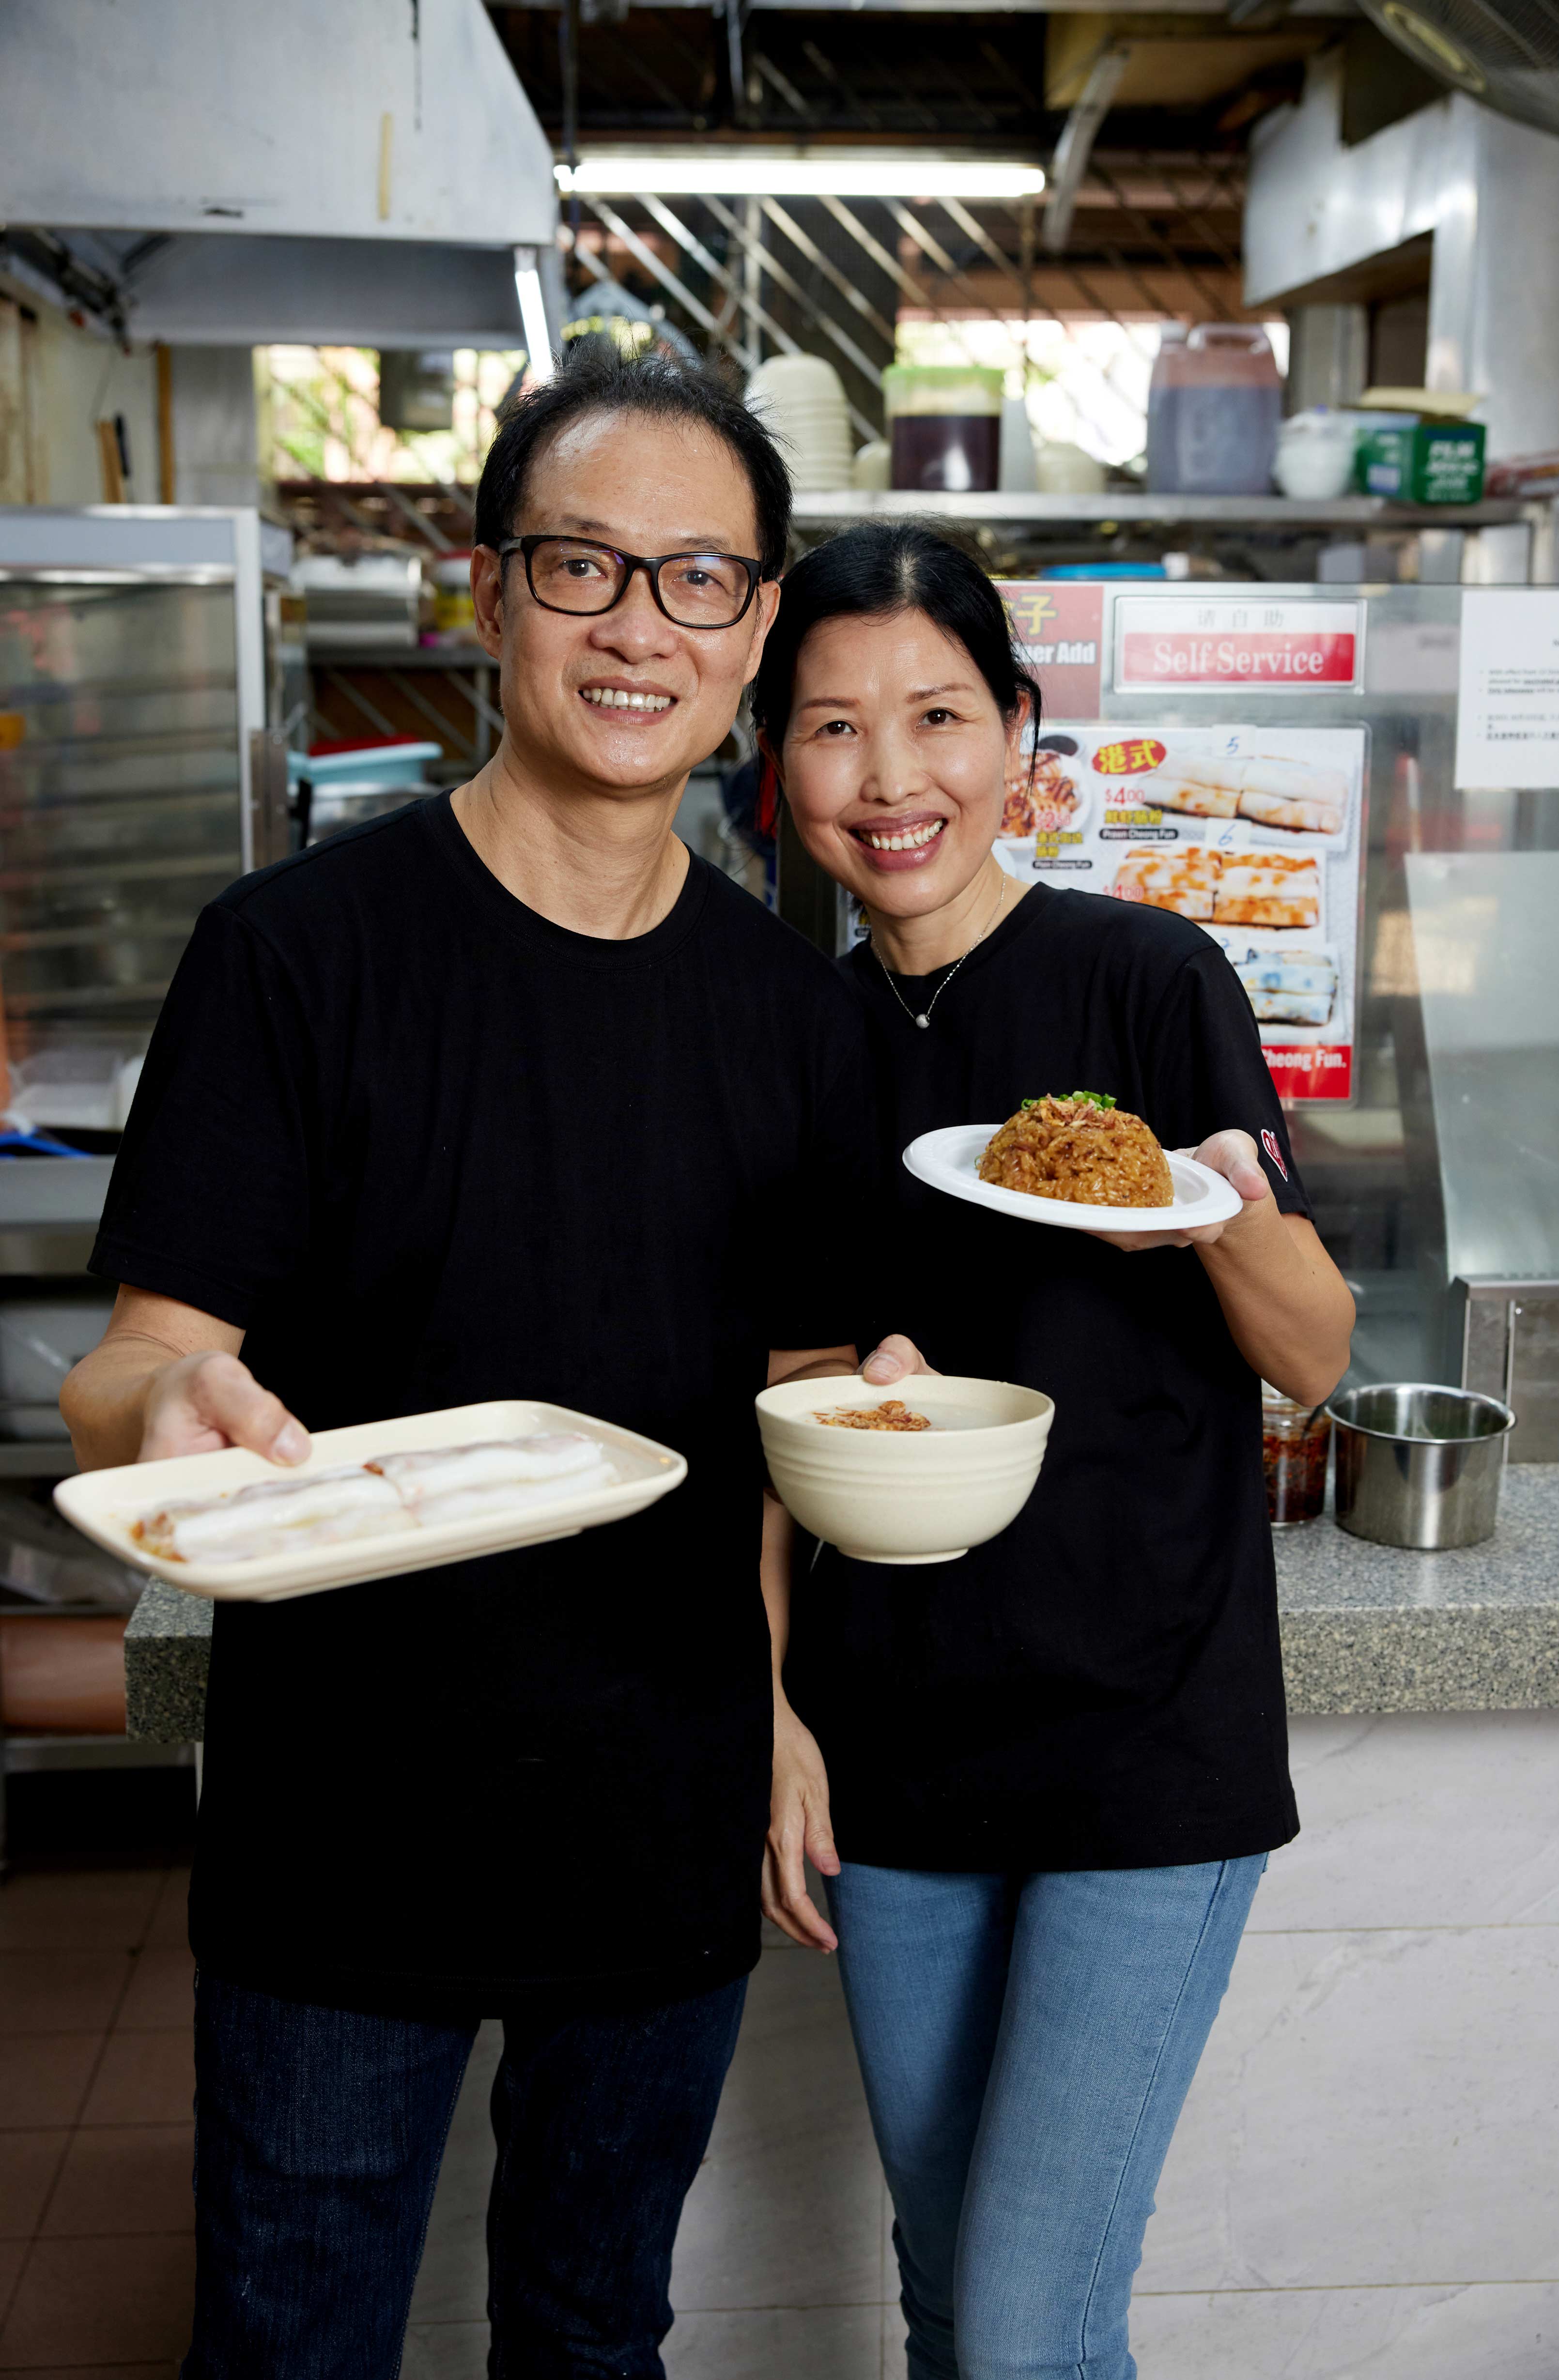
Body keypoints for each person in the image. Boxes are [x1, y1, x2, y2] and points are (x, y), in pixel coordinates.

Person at [60, 348, 879, 2380]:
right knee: (289, 2336)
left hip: (658, 1807)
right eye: (583, 565)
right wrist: (168, 1410)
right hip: (345, 1814)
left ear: (759, 625)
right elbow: (136, 1360)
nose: (639, 627)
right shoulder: (295, 954)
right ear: (488, 591)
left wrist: (776, 1711)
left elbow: (786, 1411)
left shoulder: (794, 1017)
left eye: (699, 579)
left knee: (596, 2331)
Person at [752, 522, 1355, 2380]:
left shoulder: (1149, 983)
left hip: (1142, 1734)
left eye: (938, 717)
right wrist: (773, 1707)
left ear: (1022, 735)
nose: (892, 777)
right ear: (777, 764)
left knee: (1027, 2324)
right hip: (896, 1749)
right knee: (947, 2289)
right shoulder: (786, 1033)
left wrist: (1206, 1219)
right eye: (836, 728)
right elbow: (783, 1383)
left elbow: (1315, 1354)